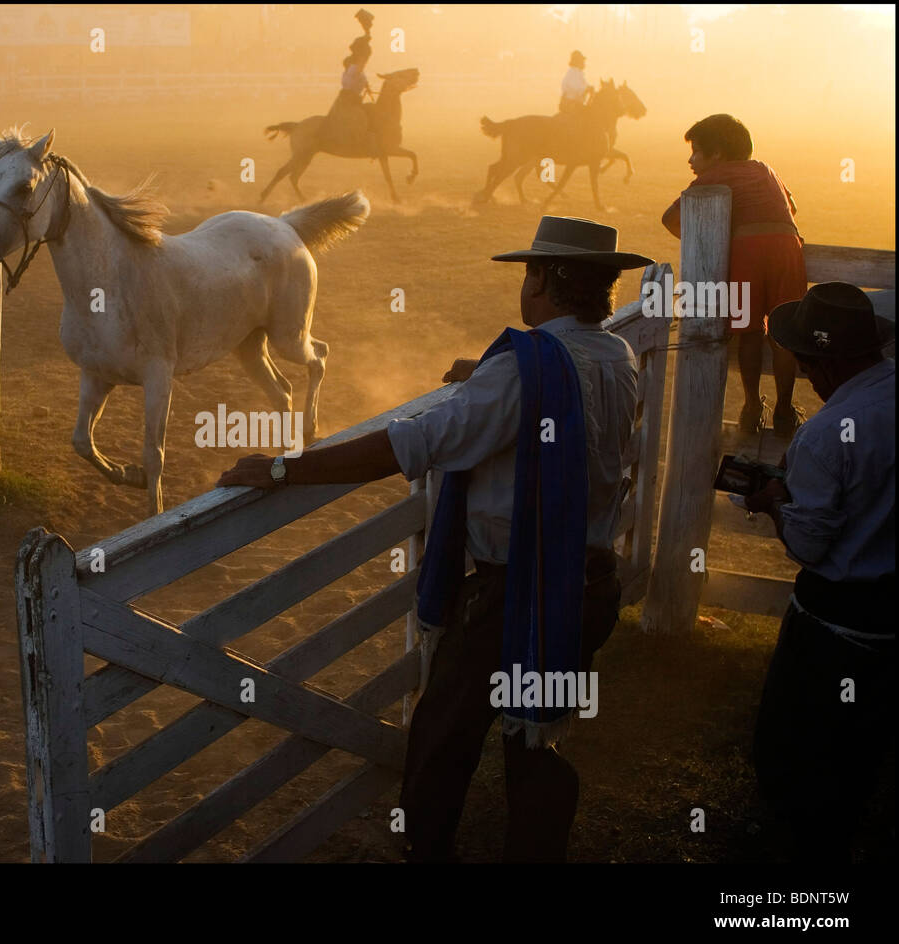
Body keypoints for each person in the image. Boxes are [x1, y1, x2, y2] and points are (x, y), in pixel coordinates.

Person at [218, 217, 653, 862]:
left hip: (516, 592)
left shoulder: (525, 373)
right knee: (532, 736)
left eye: (530, 273)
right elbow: (567, 404)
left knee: (443, 739)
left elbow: (413, 443)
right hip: (587, 583)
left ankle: (428, 851)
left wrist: (290, 467)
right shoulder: (614, 356)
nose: (524, 285)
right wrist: (489, 376)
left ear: (546, 284)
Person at [741, 282, 894, 862]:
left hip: (835, 621)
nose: (806, 376)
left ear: (826, 360)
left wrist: (777, 500)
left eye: (807, 364)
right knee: (861, 748)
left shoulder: (829, 432)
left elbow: (808, 541)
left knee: (794, 745)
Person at [661, 114, 807, 438]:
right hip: (787, 247)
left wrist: (711, 241)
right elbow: (791, 208)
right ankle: (785, 407)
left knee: (749, 331)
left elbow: (671, 219)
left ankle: (753, 404)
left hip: (745, 251)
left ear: (717, 154)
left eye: (696, 151)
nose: (690, 160)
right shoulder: (766, 169)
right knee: (783, 331)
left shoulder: (711, 178)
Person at [558, 50, 591, 114]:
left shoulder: (578, 73)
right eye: (582, 61)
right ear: (578, 62)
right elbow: (576, 88)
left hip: (575, 104)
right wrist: (587, 89)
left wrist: (589, 88)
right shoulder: (573, 72)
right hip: (572, 104)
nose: (584, 63)